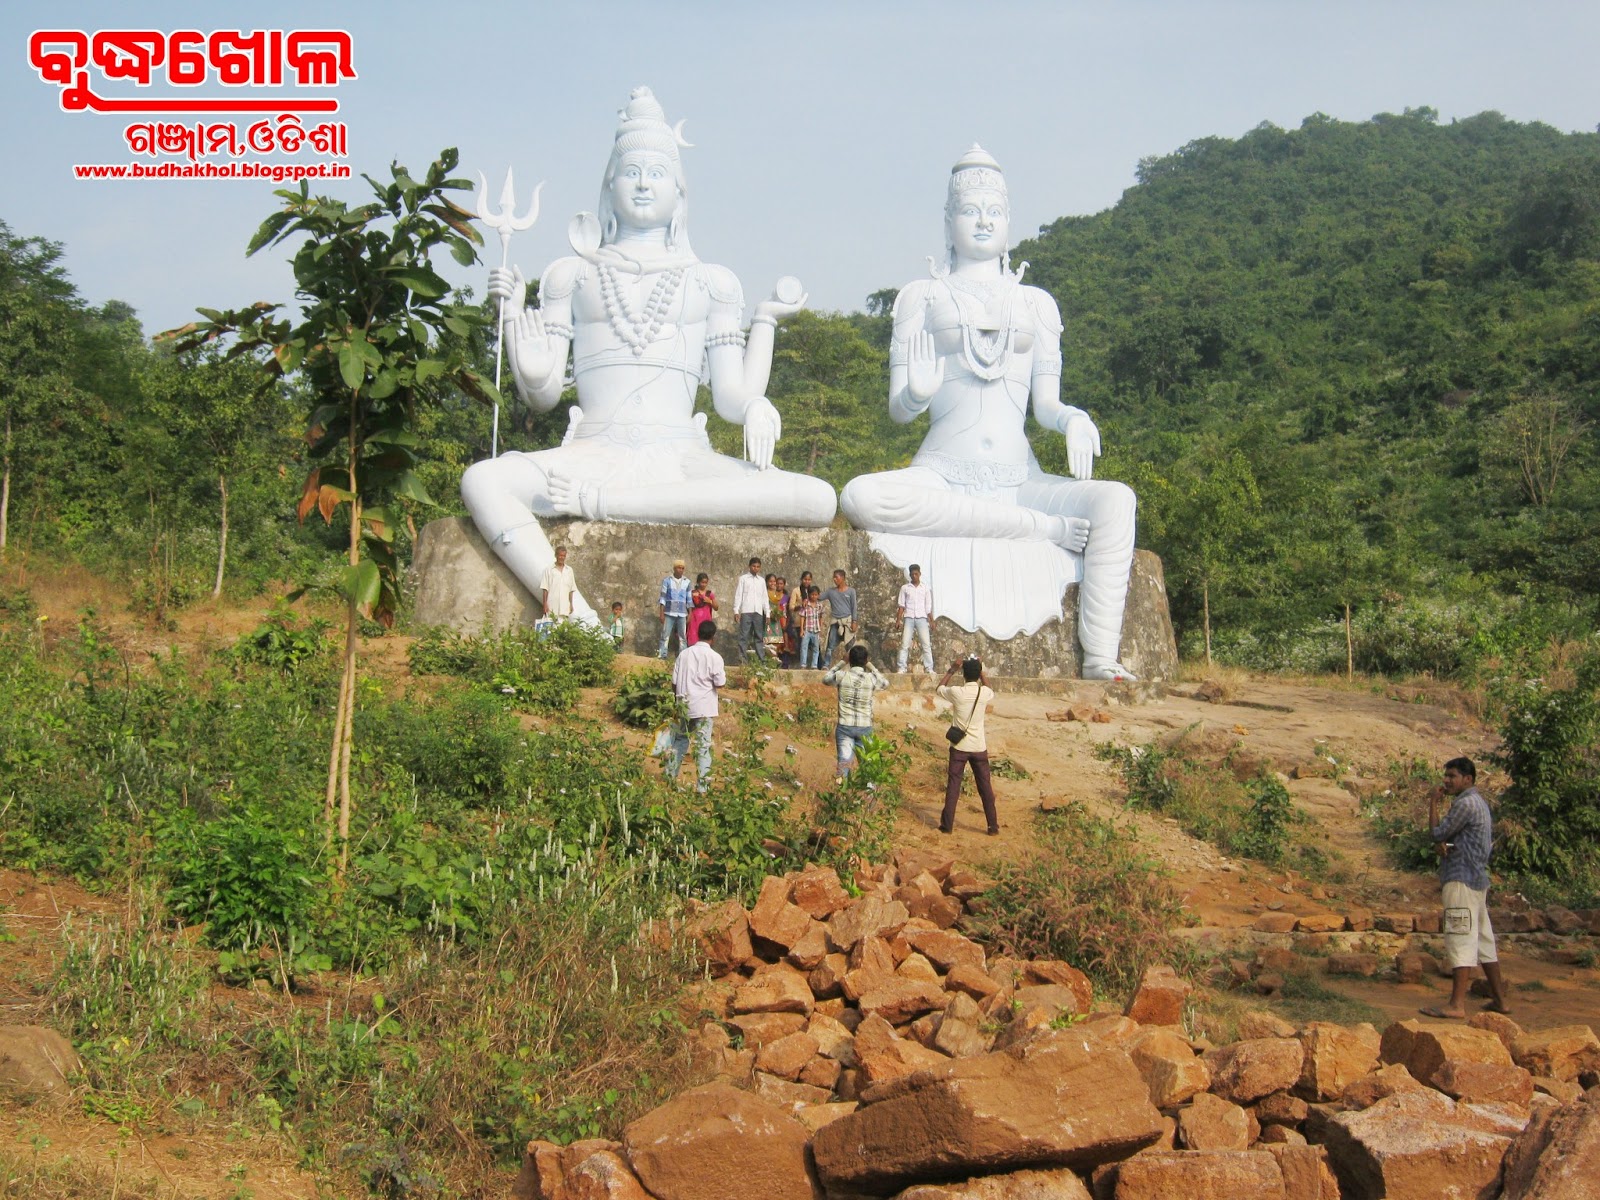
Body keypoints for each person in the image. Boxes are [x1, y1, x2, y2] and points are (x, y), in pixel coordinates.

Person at [465, 87, 836, 622]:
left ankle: (606, 504)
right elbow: (541, 392)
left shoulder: (712, 282)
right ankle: (580, 623)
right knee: (482, 480)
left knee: (817, 499)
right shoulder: (572, 275)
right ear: (609, 185)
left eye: (656, 173)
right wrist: (512, 319)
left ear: (679, 191)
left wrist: (757, 395)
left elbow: (732, 397)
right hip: (591, 452)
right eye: (631, 172)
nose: (642, 184)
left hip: (681, 459)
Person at [838, 146, 1138, 680]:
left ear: (1009, 221)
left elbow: (1046, 405)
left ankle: (1099, 656)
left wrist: (1073, 419)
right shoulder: (920, 297)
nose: (982, 221)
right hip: (942, 473)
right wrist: (916, 393)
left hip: (1022, 478)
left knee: (1117, 500)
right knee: (861, 495)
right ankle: (1044, 529)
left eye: (994, 212)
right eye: (970, 210)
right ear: (947, 221)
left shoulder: (1037, 304)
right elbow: (899, 410)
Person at [1421, 757, 1511, 1019]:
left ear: (1467, 779)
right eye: (1446, 776)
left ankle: (1456, 1005)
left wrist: (1433, 802)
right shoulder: (1478, 803)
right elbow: (1462, 840)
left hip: (1461, 879)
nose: (1446, 781)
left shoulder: (1465, 803)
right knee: (1483, 940)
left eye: (1452, 776)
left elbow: (1437, 833)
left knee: (1460, 936)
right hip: (1477, 880)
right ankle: (1500, 1001)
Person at [936, 657, 999, 835]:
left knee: (953, 785)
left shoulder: (957, 692)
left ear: (963, 674)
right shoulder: (983, 693)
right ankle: (992, 826)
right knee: (985, 787)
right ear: (978, 674)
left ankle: (947, 825)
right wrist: (981, 670)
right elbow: (989, 688)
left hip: (959, 746)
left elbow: (939, 688)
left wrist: (952, 669)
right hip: (979, 746)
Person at [666, 620, 726, 792]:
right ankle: (702, 787)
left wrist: (677, 702)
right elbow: (720, 683)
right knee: (703, 746)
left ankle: (670, 778)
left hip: (684, 705)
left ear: (698, 633)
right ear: (713, 637)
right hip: (704, 707)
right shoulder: (715, 657)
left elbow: (674, 682)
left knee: (680, 741)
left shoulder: (684, 654)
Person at [822, 644, 889, 778]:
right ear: (865, 661)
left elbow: (826, 679)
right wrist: (870, 665)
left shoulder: (841, 676)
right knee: (868, 766)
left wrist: (842, 662)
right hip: (865, 727)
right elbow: (885, 683)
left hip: (845, 726)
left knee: (844, 764)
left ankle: (842, 788)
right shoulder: (871, 678)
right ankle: (869, 791)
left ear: (850, 660)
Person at [896, 563, 935, 674]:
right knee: (905, 643)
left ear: (920, 574)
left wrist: (931, 621)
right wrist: (898, 620)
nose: (914, 576)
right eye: (912, 574)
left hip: (922, 618)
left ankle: (929, 668)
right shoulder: (905, 588)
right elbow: (901, 606)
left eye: (916, 574)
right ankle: (901, 667)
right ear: (910, 575)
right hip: (909, 618)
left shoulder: (925, 589)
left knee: (926, 644)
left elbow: (928, 607)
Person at [732, 556, 768, 663]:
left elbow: (764, 597)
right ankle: (742, 660)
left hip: (758, 611)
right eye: (754, 566)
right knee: (744, 636)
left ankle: (761, 660)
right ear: (749, 566)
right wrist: (736, 610)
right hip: (746, 611)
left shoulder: (761, 581)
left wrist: (767, 613)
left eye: (758, 567)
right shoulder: (743, 579)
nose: (755, 568)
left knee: (759, 637)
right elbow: (739, 595)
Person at [821, 569, 858, 662]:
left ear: (843, 578)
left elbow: (854, 607)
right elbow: (818, 597)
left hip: (847, 622)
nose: (834, 579)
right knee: (830, 645)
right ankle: (826, 664)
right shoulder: (830, 592)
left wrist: (854, 621)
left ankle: (854, 664)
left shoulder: (851, 591)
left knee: (851, 646)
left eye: (836, 577)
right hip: (835, 622)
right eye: (833, 577)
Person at [657, 559, 693, 658]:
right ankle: (662, 655)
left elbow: (689, 599)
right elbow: (663, 597)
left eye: (682, 568)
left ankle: (683, 656)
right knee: (665, 634)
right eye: (678, 568)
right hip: (669, 612)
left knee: (682, 636)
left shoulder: (687, 582)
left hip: (682, 613)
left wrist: (690, 613)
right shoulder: (667, 581)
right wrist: (661, 613)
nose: (680, 570)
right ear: (674, 568)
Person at [539, 545, 577, 620]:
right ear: (556, 555)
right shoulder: (549, 570)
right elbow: (545, 589)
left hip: (564, 607)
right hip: (552, 606)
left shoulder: (569, 570)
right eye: (560, 555)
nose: (562, 558)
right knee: (551, 625)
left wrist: (571, 604)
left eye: (563, 556)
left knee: (563, 626)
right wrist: (545, 604)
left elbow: (571, 590)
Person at [797, 585, 823, 669]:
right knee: (804, 647)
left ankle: (814, 665)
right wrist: (801, 629)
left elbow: (820, 617)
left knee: (816, 648)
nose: (814, 596)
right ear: (809, 594)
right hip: (807, 629)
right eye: (812, 594)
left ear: (818, 595)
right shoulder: (805, 605)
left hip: (816, 630)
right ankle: (803, 664)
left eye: (816, 595)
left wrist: (820, 628)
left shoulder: (819, 606)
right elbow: (802, 617)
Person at [687, 573, 717, 645]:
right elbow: (688, 606)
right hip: (694, 620)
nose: (704, 584)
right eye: (702, 582)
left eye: (705, 583)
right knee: (694, 638)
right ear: (698, 582)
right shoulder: (693, 593)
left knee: (705, 638)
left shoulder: (709, 594)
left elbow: (716, 607)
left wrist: (710, 601)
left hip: (706, 619)